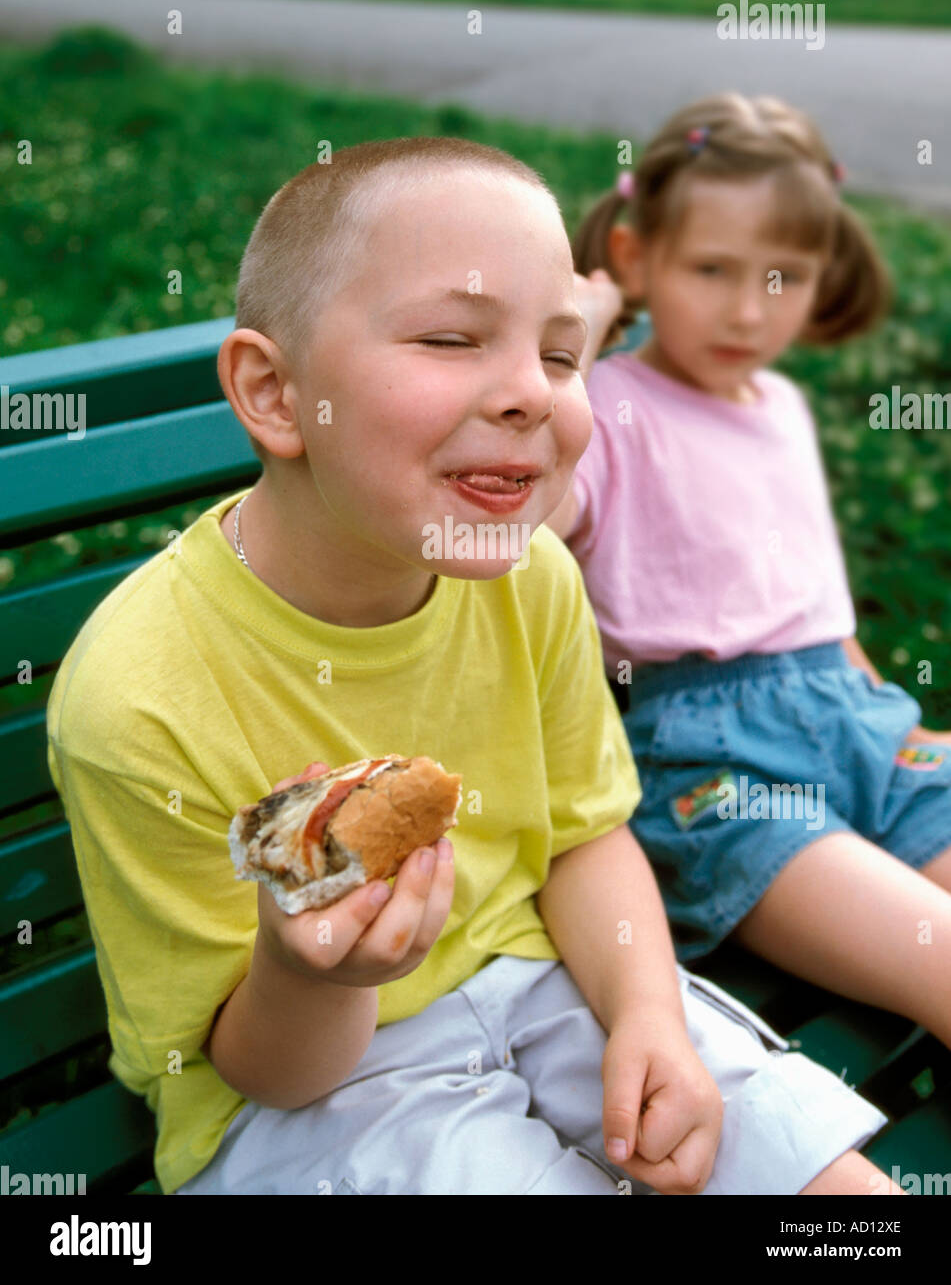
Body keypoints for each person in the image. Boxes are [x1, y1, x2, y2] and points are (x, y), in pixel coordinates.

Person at [47, 136, 899, 1197]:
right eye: (453, 337)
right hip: (321, 1092)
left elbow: (585, 836)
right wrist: (318, 973)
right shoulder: (138, 693)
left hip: (548, 980)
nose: (534, 395)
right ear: (274, 393)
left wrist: (648, 1016)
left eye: (559, 353)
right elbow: (255, 1071)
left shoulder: (529, 576)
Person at [547, 93, 951, 1061]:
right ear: (638, 259)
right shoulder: (602, 408)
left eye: (782, 278)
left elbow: (814, 598)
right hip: (714, 775)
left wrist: (890, 717)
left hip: (857, 728)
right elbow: (512, 524)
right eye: (710, 270)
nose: (745, 308)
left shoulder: (780, 404)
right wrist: (570, 352)